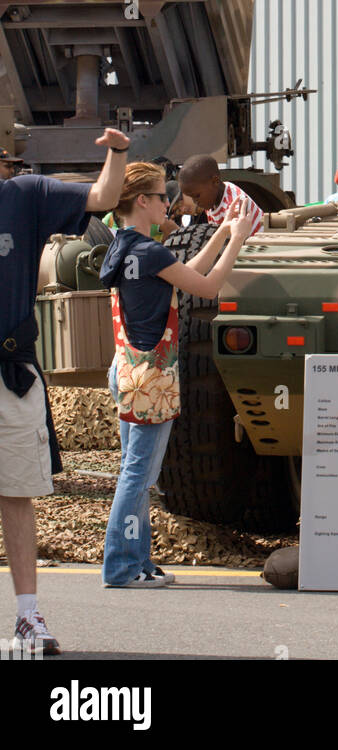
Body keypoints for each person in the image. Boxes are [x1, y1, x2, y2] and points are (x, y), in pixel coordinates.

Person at [0, 126, 131, 655]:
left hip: (12, 368)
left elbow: (102, 198)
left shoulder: (24, 196)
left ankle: (28, 617)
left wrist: (119, 153)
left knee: (16, 493)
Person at [100, 161, 253, 588]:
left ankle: (140, 561)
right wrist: (238, 240)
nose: (169, 202)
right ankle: (121, 566)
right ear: (144, 202)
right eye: (162, 196)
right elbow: (206, 287)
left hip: (128, 368)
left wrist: (221, 233)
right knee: (137, 475)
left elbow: (186, 274)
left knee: (137, 470)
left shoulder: (124, 248)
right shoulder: (150, 251)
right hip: (153, 377)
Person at [176, 155, 264, 237]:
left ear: (215, 182)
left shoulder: (234, 205)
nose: (195, 201)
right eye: (191, 197)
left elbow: (236, 240)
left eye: (197, 196)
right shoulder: (213, 199)